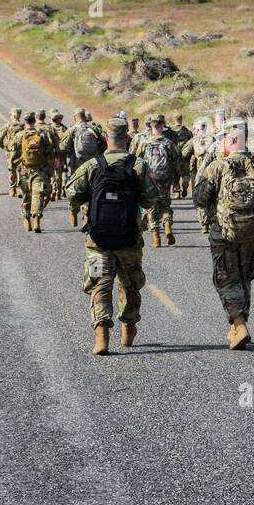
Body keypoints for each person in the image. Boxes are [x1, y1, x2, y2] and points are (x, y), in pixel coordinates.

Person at [66, 118, 159, 355]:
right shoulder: (138, 166)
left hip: (98, 241)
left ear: (106, 138)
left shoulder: (93, 165)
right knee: (130, 285)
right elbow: (151, 199)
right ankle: (128, 328)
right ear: (126, 138)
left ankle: (101, 336)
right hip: (129, 239)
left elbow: (72, 193)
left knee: (99, 284)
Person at [193, 118, 254, 349]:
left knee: (225, 278)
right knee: (244, 275)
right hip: (252, 232)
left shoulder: (217, 166)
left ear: (231, 140)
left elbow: (199, 199)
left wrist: (206, 166)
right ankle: (237, 327)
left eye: (222, 139)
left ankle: (239, 323)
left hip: (222, 232)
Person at [141, 115, 181, 246]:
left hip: (150, 179)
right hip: (165, 179)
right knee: (165, 205)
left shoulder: (145, 142)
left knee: (152, 207)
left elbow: (136, 160)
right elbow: (176, 163)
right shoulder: (168, 143)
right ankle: (168, 226)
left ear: (151, 125)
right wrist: (176, 182)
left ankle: (156, 237)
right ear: (163, 125)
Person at [14, 113, 53, 233]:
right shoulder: (42, 134)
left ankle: (27, 219)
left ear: (25, 122)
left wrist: (11, 171)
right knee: (38, 194)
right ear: (34, 121)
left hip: (24, 170)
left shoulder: (19, 135)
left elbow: (14, 153)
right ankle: (37, 220)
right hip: (40, 169)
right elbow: (49, 150)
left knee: (26, 195)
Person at [184, 119, 213, 232]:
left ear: (196, 130)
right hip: (212, 174)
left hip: (199, 175)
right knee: (212, 197)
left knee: (199, 198)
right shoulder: (213, 140)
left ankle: (204, 224)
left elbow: (184, 153)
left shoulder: (194, 141)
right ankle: (213, 220)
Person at [0, 108, 23, 196]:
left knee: (11, 170)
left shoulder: (8, 125)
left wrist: (3, 145)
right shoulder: (23, 126)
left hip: (11, 151)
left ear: (13, 115)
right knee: (20, 169)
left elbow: (0, 137)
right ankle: (19, 188)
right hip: (21, 150)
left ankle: (12, 188)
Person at [170, 114, 195, 197]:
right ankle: (185, 183)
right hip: (185, 157)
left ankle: (177, 191)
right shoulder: (187, 131)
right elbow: (192, 143)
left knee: (175, 174)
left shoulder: (171, 132)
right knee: (185, 173)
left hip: (174, 157)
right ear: (181, 119)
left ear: (174, 120)